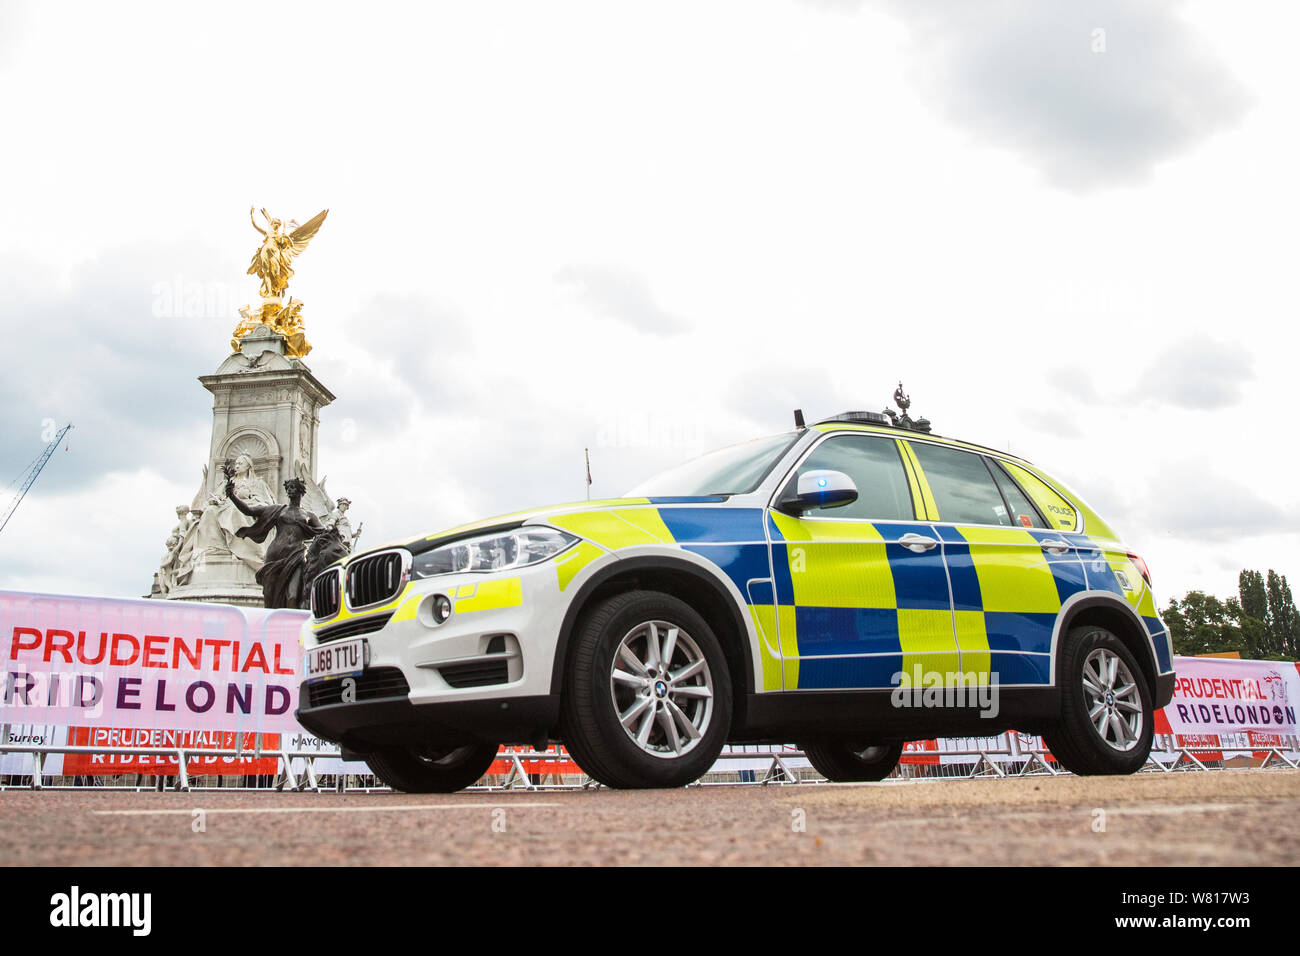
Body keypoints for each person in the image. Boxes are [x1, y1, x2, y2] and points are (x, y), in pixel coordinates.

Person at [227, 476, 326, 609]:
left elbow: (324, 532)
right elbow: (249, 511)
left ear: (301, 491)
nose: (289, 490)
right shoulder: (278, 509)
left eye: (293, 487)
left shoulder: (309, 515)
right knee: (269, 594)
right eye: (288, 488)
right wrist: (232, 496)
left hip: (296, 557)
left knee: (293, 596)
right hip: (275, 556)